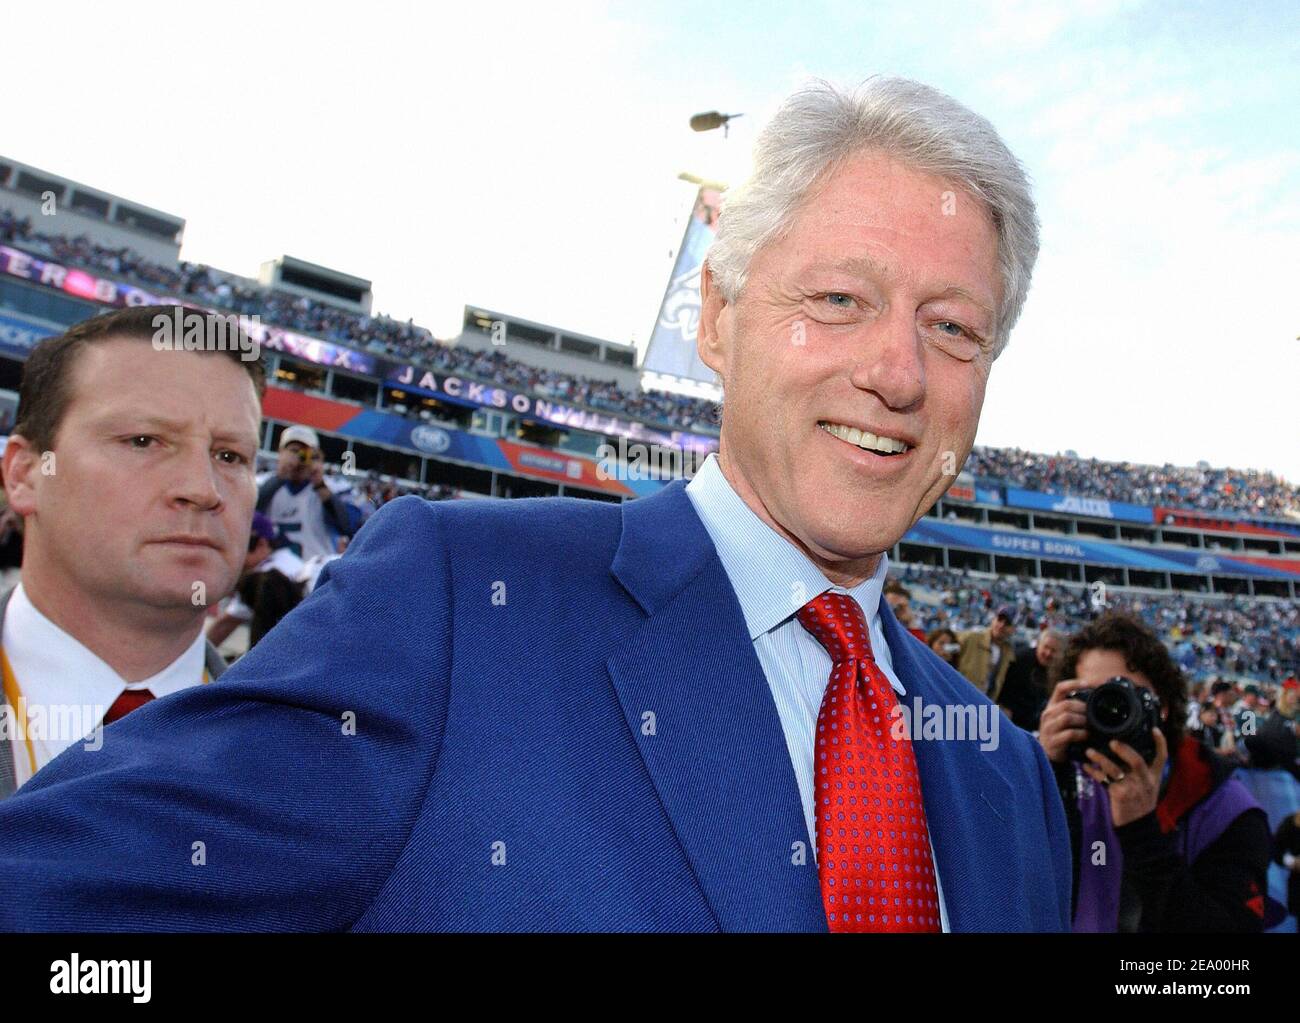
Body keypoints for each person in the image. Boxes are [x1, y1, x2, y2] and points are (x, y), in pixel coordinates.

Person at [0, 76, 1070, 932]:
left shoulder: (1008, 776)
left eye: (954, 328)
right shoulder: (461, 605)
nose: (899, 371)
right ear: (717, 321)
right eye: (838, 301)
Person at [0, 305, 262, 798]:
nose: (202, 489)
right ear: (25, 473)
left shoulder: (300, 769)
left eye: (230, 456)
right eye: (143, 441)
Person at [1037, 612, 1273, 932]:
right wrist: (1044, 771)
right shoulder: (1059, 777)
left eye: (1126, 695)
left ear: (1162, 705)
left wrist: (1142, 832)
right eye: (1093, 698)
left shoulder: (1226, 808)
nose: (1110, 711)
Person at [257, 425, 350, 561]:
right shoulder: (262, 482)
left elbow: (346, 526)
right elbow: (250, 515)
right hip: (272, 574)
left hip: (312, 571)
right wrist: (280, 477)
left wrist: (319, 484)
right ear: (281, 452)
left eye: (305, 453)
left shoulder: (330, 487)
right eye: (294, 451)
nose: (299, 458)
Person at [997, 628, 1062, 731]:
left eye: (1053, 650)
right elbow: (1003, 688)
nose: (1048, 653)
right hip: (1008, 718)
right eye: (1046, 647)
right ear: (1038, 644)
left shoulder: (1058, 670)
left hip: (1034, 723)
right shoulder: (1019, 659)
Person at [956, 607, 1016, 700]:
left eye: (1007, 623)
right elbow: (945, 650)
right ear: (993, 619)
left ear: (1013, 629)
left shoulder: (1009, 654)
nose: (1001, 625)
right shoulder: (972, 637)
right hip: (958, 697)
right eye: (999, 619)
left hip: (981, 705)